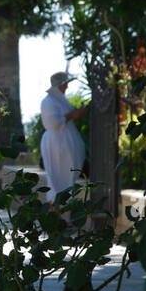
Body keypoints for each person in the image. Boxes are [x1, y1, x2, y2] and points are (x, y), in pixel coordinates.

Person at [39, 71, 89, 201]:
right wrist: (73, 114)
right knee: (57, 177)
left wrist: (78, 113)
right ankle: (55, 205)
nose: (67, 87)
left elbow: (69, 118)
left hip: (64, 142)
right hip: (57, 144)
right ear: (59, 85)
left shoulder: (61, 100)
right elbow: (54, 123)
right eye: (65, 84)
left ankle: (63, 207)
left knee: (67, 175)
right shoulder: (48, 101)